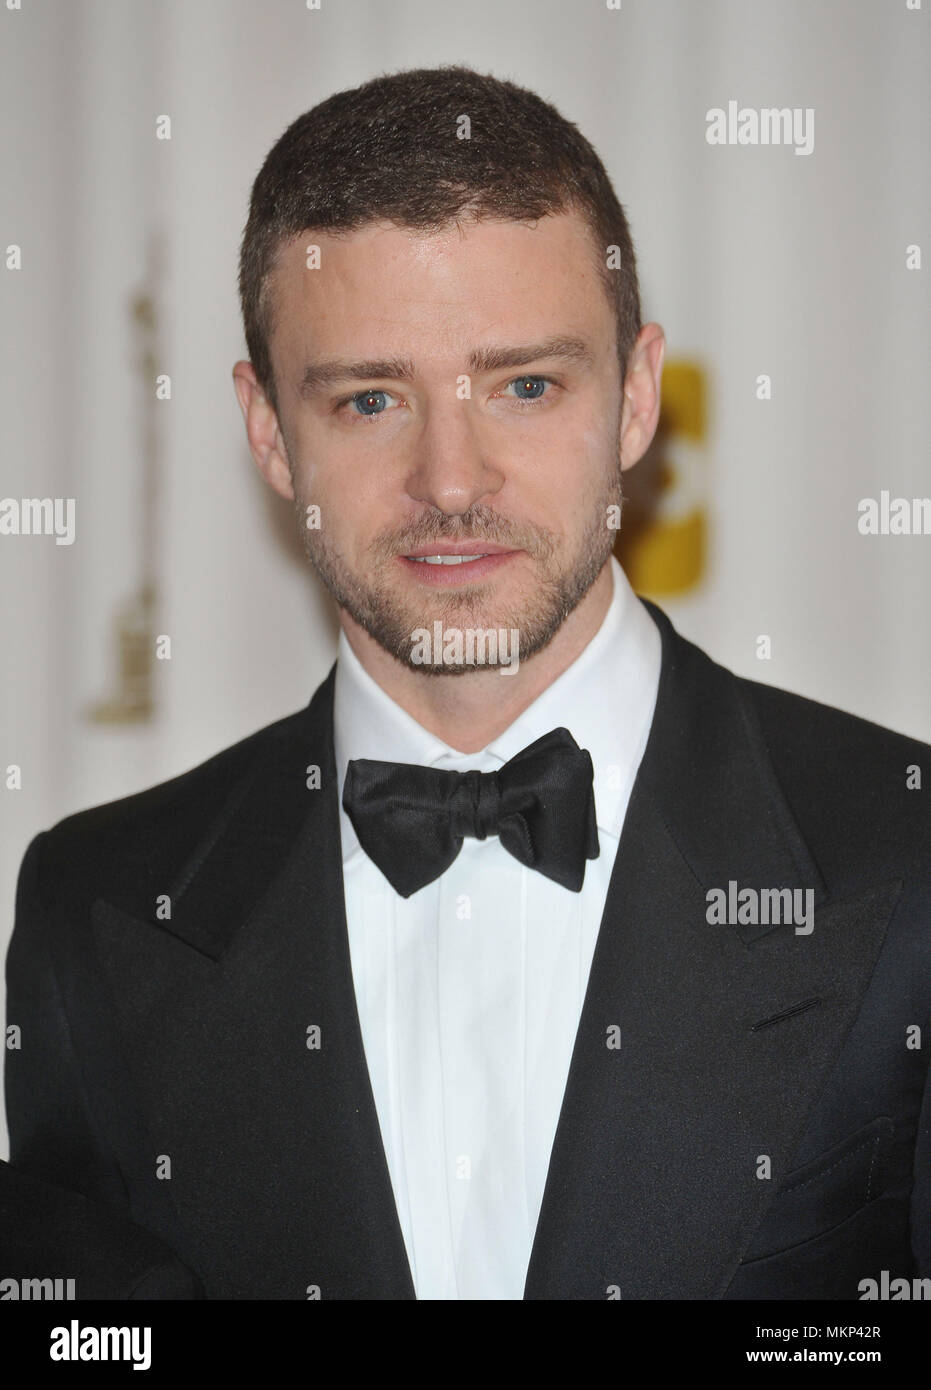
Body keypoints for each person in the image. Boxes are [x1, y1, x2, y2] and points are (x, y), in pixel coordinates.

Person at [5, 65, 930, 1301]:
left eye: (525, 386)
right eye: (372, 398)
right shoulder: (100, 914)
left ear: (638, 395)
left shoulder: (905, 854)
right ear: (272, 431)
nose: (450, 479)